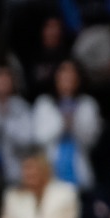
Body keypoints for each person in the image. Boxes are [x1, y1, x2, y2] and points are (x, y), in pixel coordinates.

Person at [34, 59, 101, 190]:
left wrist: (74, 122)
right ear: (55, 77)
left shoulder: (88, 104)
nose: (68, 77)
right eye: (63, 73)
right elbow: (39, 139)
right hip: (50, 171)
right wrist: (62, 122)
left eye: (72, 74)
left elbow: (91, 141)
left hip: (79, 172)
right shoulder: (44, 103)